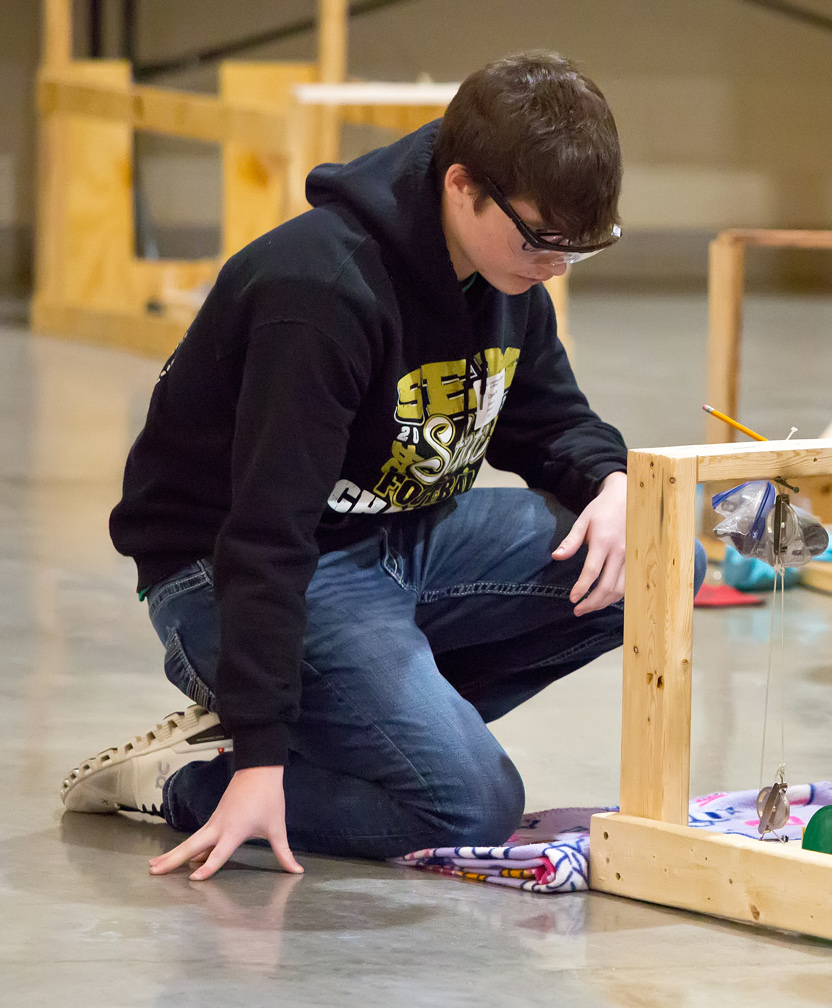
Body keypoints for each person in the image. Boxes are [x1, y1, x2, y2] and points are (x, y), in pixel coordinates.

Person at [62, 51, 703, 881]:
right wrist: (259, 756)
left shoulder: (506, 273)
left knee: (658, 557)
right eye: (543, 240)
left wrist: (613, 483)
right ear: (462, 186)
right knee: (473, 804)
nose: (555, 265)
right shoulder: (320, 295)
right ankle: (191, 781)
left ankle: (350, 729)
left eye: (579, 249)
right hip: (229, 573)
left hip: (398, 537)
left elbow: (554, 422)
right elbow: (266, 536)